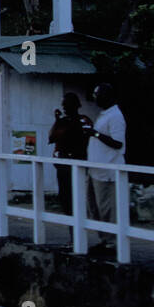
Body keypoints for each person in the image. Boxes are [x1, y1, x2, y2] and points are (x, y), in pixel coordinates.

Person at [86, 83, 126, 250]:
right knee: (95, 208)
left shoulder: (116, 116)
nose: (95, 98)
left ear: (107, 96)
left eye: (97, 94)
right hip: (95, 170)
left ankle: (111, 243)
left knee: (107, 208)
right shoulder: (104, 115)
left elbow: (118, 143)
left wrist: (94, 133)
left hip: (108, 171)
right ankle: (104, 240)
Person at [48, 91, 91, 208]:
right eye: (63, 105)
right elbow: (51, 138)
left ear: (75, 105)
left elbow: (80, 136)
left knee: (77, 198)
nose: (64, 107)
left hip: (78, 162)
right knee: (65, 198)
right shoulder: (62, 122)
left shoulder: (84, 120)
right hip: (62, 165)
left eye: (66, 104)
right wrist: (57, 120)